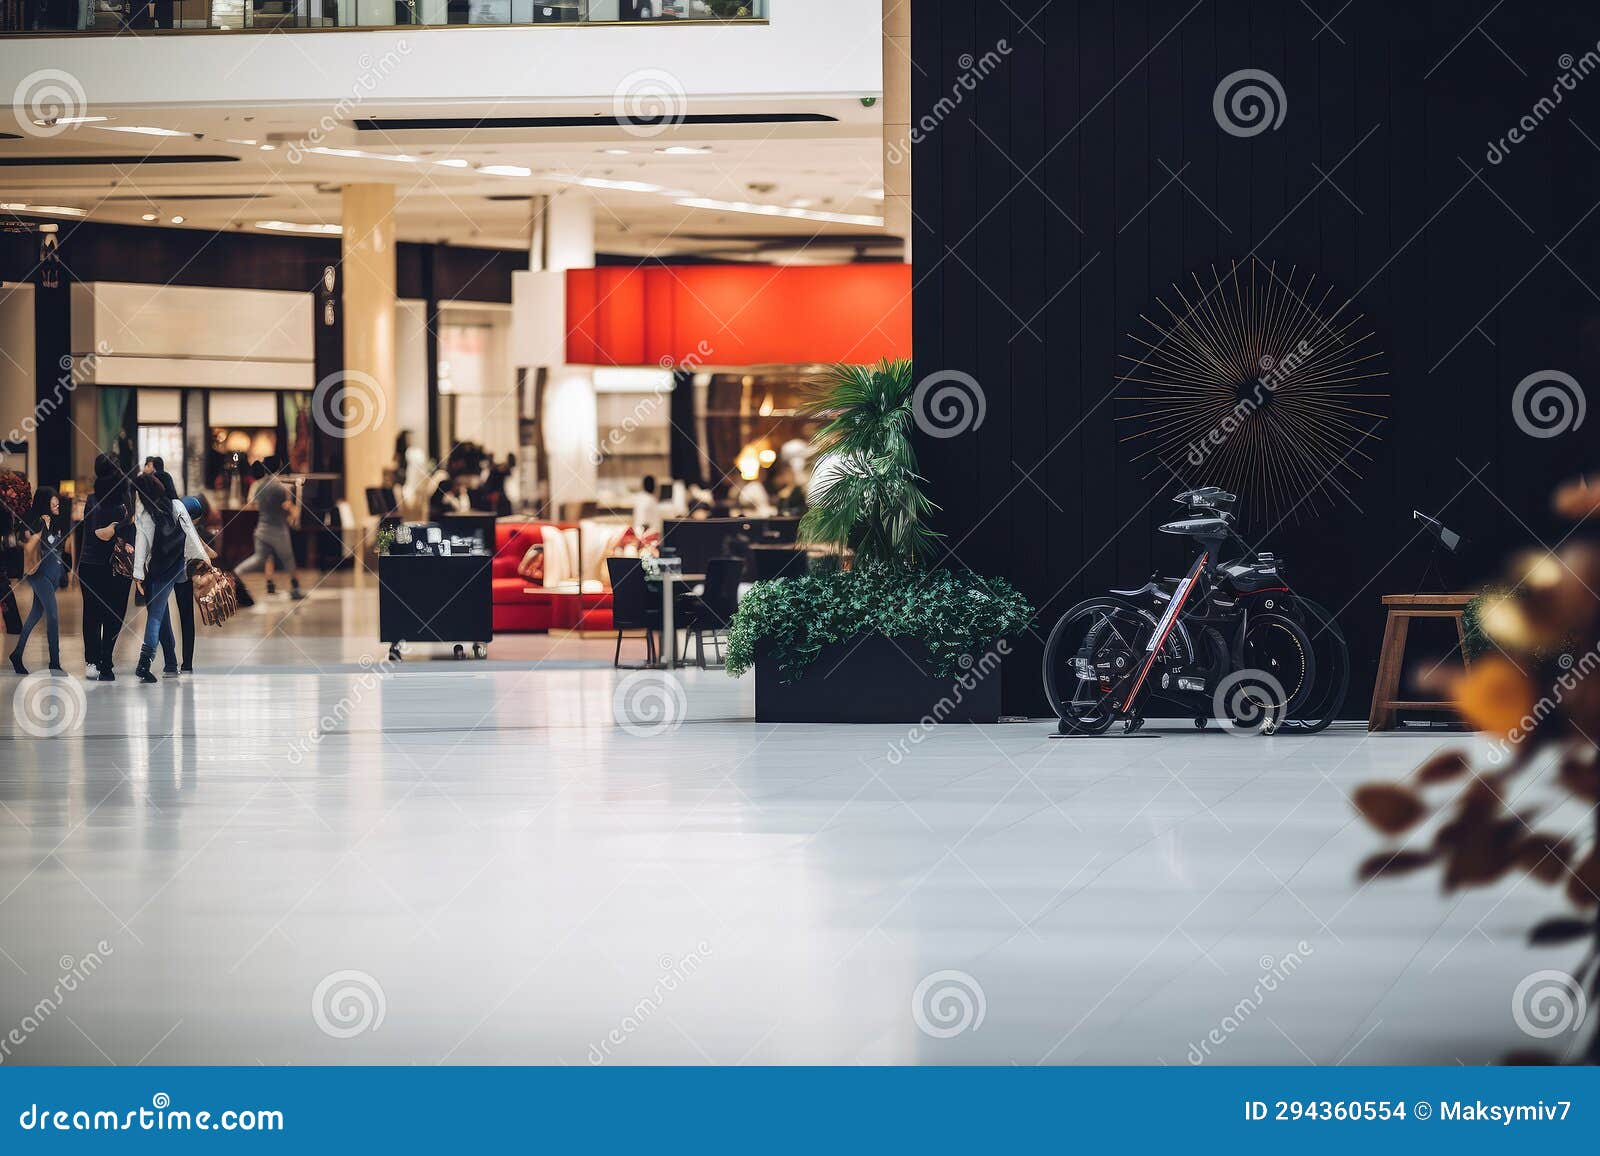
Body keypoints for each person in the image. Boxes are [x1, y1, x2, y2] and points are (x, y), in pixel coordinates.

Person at [130, 472, 208, 685]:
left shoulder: (144, 515)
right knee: (161, 614)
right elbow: (190, 534)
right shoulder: (176, 505)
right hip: (178, 566)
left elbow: (141, 546)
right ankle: (171, 664)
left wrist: (138, 575)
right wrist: (203, 560)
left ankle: (144, 663)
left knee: (156, 615)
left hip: (158, 569)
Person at [79, 454, 135, 681]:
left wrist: (117, 527)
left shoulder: (125, 496)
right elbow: (97, 533)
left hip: (116, 564)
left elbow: (130, 523)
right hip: (96, 564)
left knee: (110, 614)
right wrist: (117, 527)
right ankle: (96, 660)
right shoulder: (95, 500)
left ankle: (103, 660)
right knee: (97, 614)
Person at [154, 471, 212, 675]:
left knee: (163, 614)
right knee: (185, 614)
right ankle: (186, 662)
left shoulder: (156, 510)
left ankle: (173, 660)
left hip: (169, 567)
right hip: (182, 565)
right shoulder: (180, 506)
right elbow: (191, 534)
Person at [8, 487, 67, 676]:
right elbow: (29, 545)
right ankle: (54, 663)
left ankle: (17, 654)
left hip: (51, 576)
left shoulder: (53, 521)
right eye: (53, 500)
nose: (57, 503)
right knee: (53, 616)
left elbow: (56, 549)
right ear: (44, 502)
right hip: (39, 576)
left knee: (34, 616)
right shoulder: (38, 522)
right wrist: (38, 531)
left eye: (57, 500)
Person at [234, 458, 305, 600]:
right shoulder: (279, 487)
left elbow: (254, 504)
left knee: (259, 559)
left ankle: (237, 572)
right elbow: (287, 508)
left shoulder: (259, 487)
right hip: (278, 530)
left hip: (261, 529)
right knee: (288, 559)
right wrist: (296, 506)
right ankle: (295, 588)